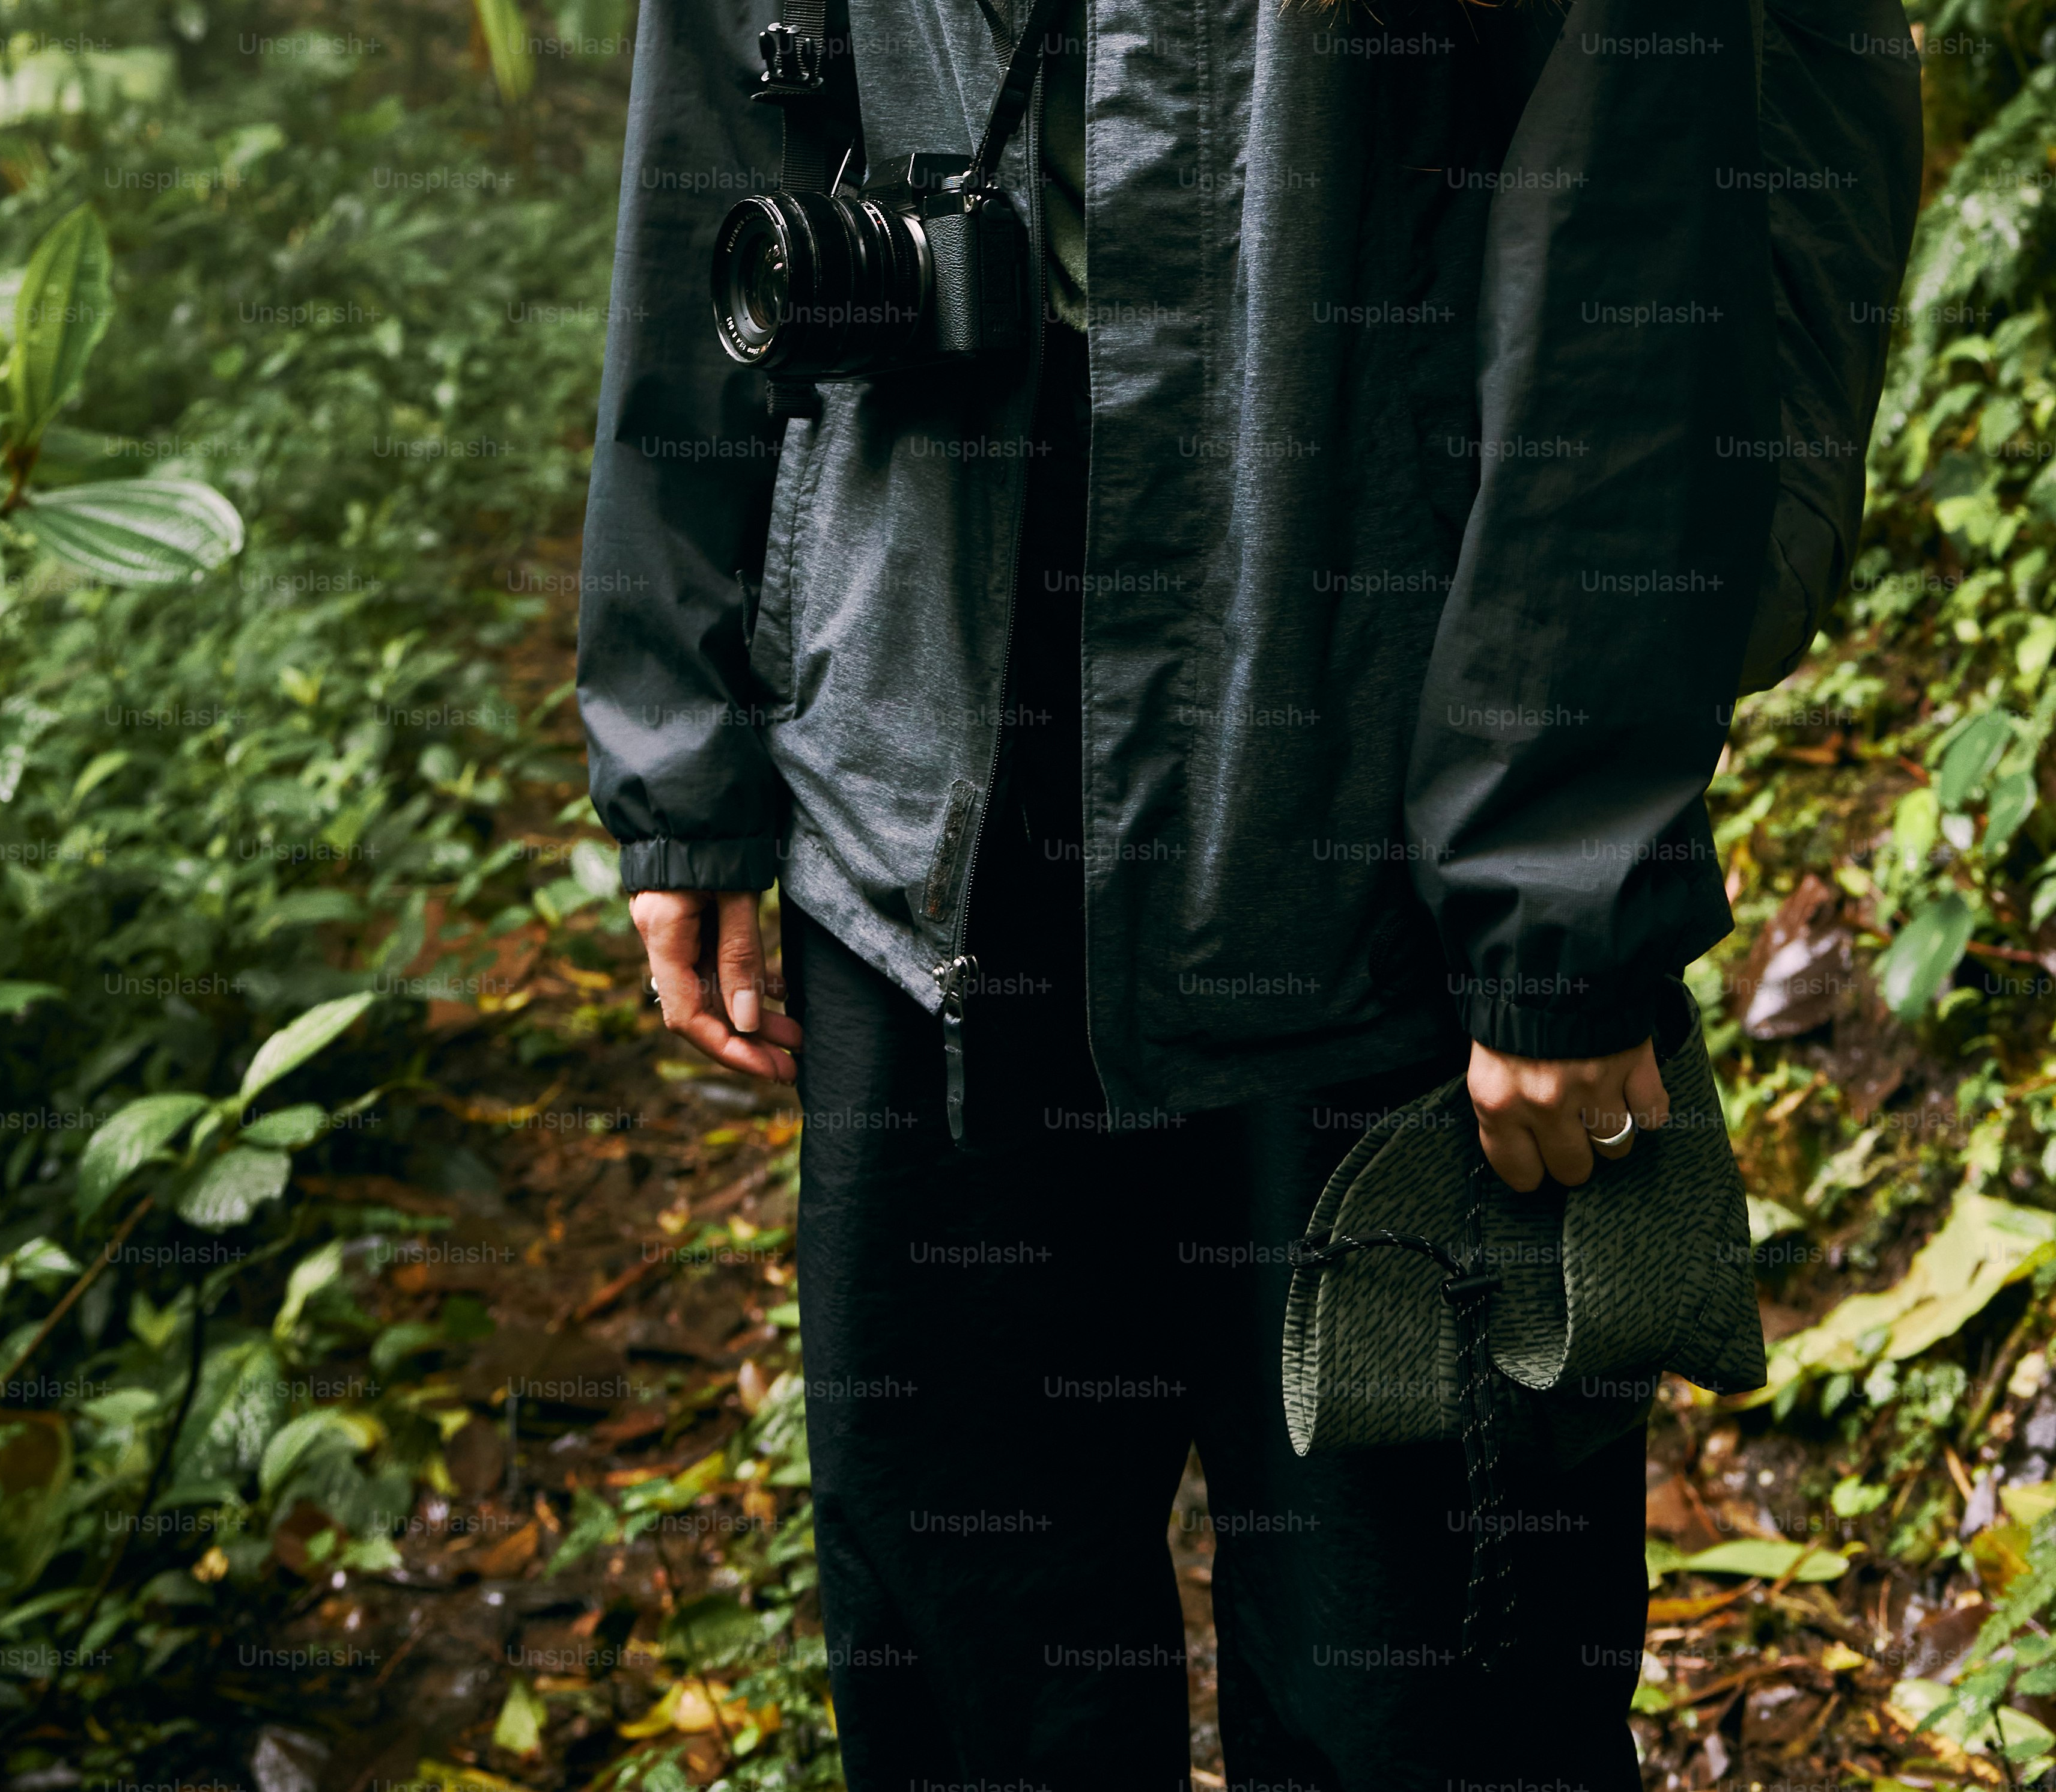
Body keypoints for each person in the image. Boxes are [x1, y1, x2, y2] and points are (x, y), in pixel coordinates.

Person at [576, 0, 1920, 1782]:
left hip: (1373, 789)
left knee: (1426, 1684)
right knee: (978, 1663)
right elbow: (720, 141)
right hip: (918, 782)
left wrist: (1555, 903)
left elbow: (1629, 269)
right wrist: (685, 753)